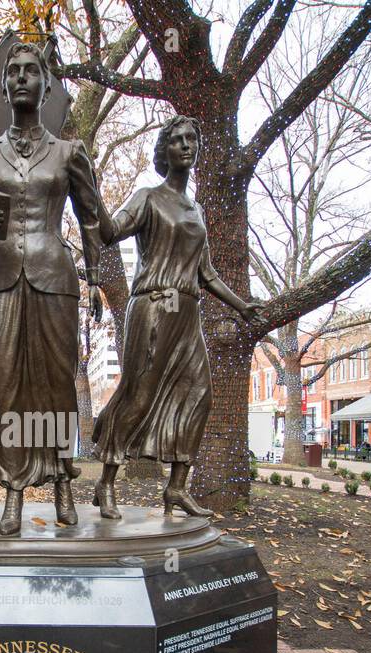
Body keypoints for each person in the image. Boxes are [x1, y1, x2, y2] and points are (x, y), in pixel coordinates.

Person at [0, 40, 110, 535]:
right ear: (3, 84)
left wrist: (97, 278)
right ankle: (14, 490)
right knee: (5, 387)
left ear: (44, 83)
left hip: (54, 276)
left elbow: (91, 218)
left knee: (56, 385)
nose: (20, 78)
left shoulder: (68, 152)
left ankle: (61, 483)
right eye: (12, 71)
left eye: (30, 71)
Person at [91, 115, 255, 519]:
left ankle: (176, 488)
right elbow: (110, 231)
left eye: (192, 139)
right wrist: (89, 189)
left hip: (187, 313)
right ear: (164, 152)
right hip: (152, 306)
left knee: (200, 395)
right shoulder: (148, 197)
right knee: (138, 395)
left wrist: (242, 306)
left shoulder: (196, 211)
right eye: (177, 140)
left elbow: (208, 273)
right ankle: (106, 481)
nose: (187, 145)